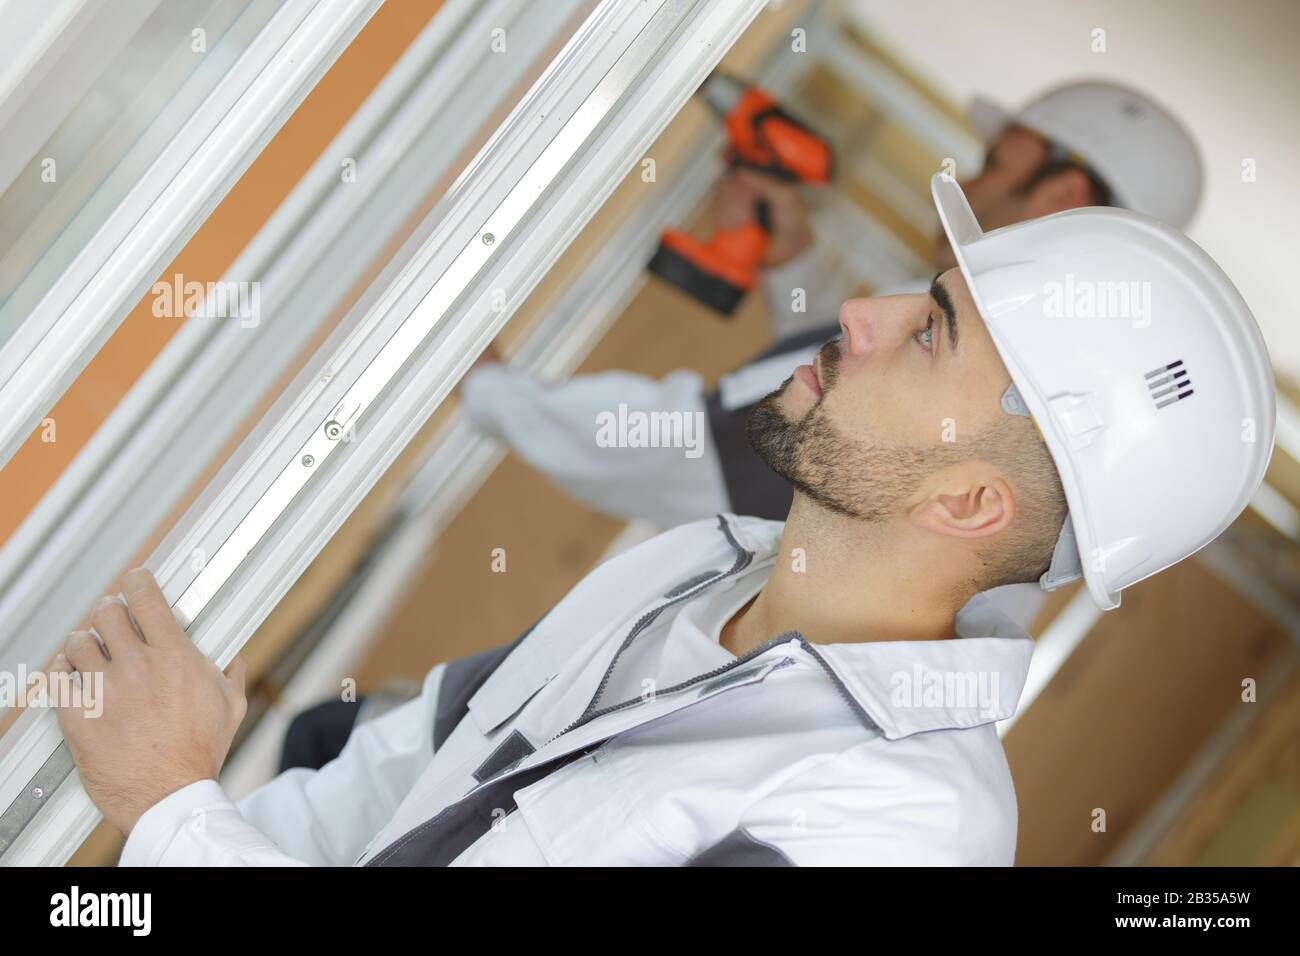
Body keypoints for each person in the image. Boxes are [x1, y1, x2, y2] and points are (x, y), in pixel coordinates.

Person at [52, 172, 1274, 865]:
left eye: (931, 329)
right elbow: (395, 780)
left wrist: (172, 806)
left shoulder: (892, 828)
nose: (862, 309)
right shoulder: (694, 567)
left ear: (967, 498)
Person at [458, 80, 1203, 631]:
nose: (969, 182)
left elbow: (688, 449)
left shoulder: (975, 391)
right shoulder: (1015, 391)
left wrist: (484, 384)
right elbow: (855, 369)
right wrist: (791, 260)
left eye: (995, 162)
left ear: (1063, 193)